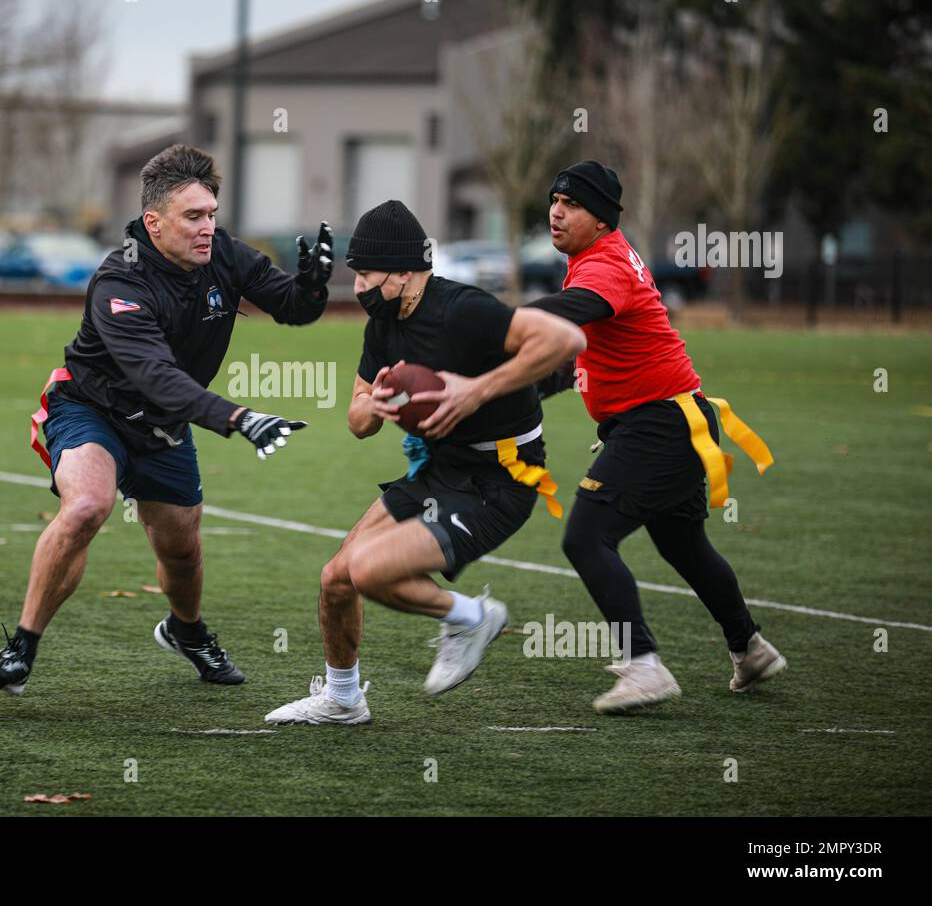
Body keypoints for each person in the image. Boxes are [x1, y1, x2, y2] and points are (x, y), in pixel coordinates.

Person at [0, 144, 332, 695]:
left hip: (164, 426)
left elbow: (294, 308)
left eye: (212, 214)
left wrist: (311, 286)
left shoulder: (226, 255)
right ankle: (21, 649)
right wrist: (236, 417)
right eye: (193, 216)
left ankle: (187, 631)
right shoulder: (120, 282)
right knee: (88, 506)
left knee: (182, 551)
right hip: (93, 410)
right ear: (154, 222)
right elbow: (155, 374)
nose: (207, 227)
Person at [265, 200, 584, 725]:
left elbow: (567, 340)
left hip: (501, 477)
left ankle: (471, 618)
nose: (361, 288)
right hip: (438, 469)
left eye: (367, 274)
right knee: (336, 579)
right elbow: (357, 421)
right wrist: (380, 403)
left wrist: (474, 392)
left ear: (406, 270)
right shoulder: (383, 326)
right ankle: (344, 699)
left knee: (367, 569)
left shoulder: (463, 310)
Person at [528, 160, 783, 714]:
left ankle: (644, 667)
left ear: (601, 218)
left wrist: (494, 322)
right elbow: (578, 357)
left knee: (585, 538)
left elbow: (577, 311)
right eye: (554, 200)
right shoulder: (594, 260)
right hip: (675, 420)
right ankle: (750, 648)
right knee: (684, 545)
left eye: (570, 203)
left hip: (660, 426)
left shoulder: (605, 263)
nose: (555, 210)